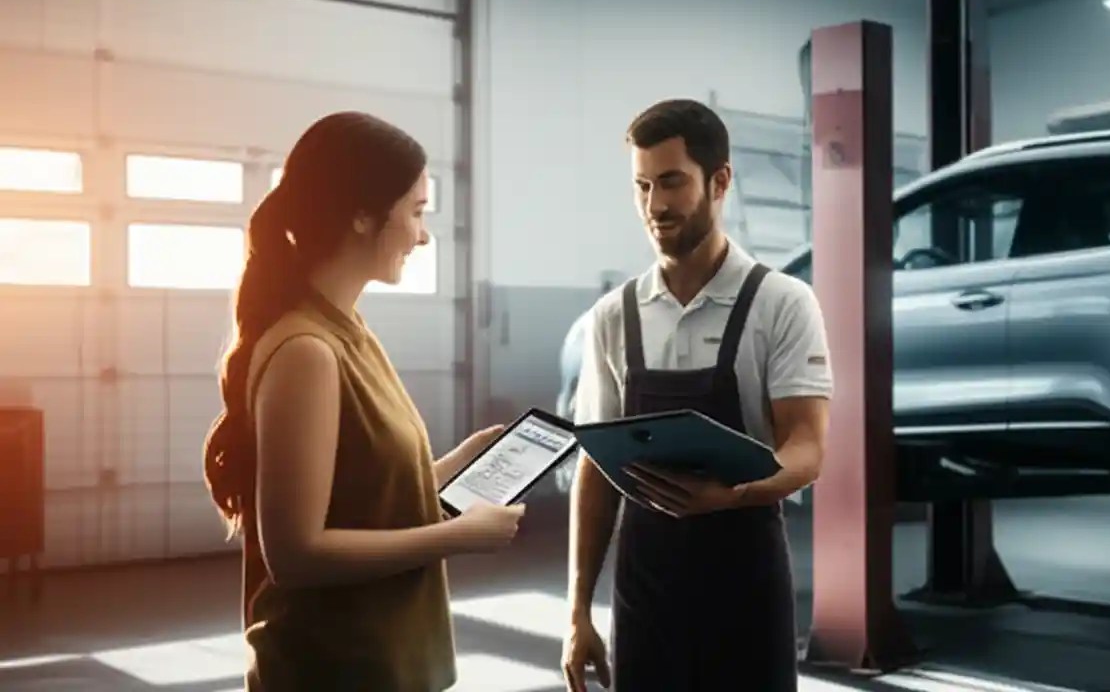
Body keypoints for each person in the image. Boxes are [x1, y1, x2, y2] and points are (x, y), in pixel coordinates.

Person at [201, 111, 527, 691]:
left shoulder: (349, 330)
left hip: (383, 666)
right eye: (417, 212)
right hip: (332, 672)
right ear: (360, 216)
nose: (423, 235)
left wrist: (459, 464)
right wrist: (461, 536)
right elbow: (296, 555)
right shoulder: (307, 351)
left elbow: (361, 498)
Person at [561, 99, 833, 692]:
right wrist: (578, 611)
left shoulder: (782, 304)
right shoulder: (613, 317)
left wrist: (730, 494)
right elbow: (594, 469)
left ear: (719, 181)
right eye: (642, 185)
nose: (655, 205)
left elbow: (807, 448)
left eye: (672, 182)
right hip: (644, 593)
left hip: (746, 588)